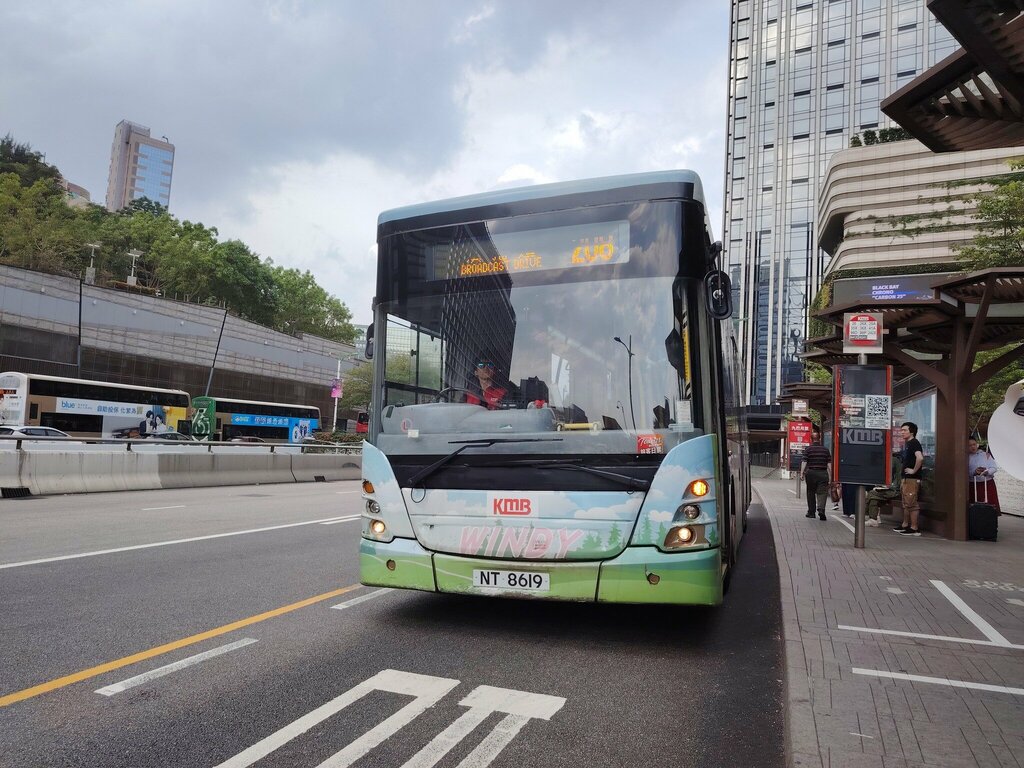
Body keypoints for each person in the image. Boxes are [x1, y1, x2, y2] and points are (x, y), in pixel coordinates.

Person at [893, 421, 925, 536]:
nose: (902, 432)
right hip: (906, 478)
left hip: (912, 479)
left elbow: (920, 458)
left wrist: (913, 470)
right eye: (901, 430)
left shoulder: (914, 443)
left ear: (912, 432)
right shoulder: (908, 444)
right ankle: (905, 525)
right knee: (906, 502)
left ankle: (914, 527)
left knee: (911, 503)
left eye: (904, 430)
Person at [800, 427, 832, 520]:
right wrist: (830, 475)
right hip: (823, 473)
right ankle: (821, 509)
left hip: (811, 473)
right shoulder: (825, 450)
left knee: (810, 492)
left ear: (811, 439)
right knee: (822, 492)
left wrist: (802, 472)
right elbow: (829, 464)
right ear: (820, 438)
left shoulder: (808, 449)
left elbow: (804, 461)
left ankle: (811, 512)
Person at [968, 437, 1000, 513]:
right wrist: (974, 472)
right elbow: (964, 471)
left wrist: (987, 471)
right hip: (973, 485)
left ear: (977, 445)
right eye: (970, 445)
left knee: (990, 506)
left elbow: (994, 467)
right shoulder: (966, 457)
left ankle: (990, 523)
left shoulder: (986, 455)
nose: (972, 447)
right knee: (974, 507)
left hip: (987, 484)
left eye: (974, 444)